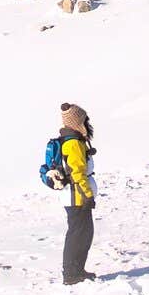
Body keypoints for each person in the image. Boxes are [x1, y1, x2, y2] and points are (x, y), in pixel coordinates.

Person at [56, 102, 97, 284]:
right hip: (77, 196)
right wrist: (87, 195)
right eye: (84, 119)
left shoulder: (74, 140)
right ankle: (71, 273)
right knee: (78, 234)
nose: (87, 122)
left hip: (75, 195)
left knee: (83, 233)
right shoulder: (73, 143)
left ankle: (76, 270)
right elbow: (77, 173)